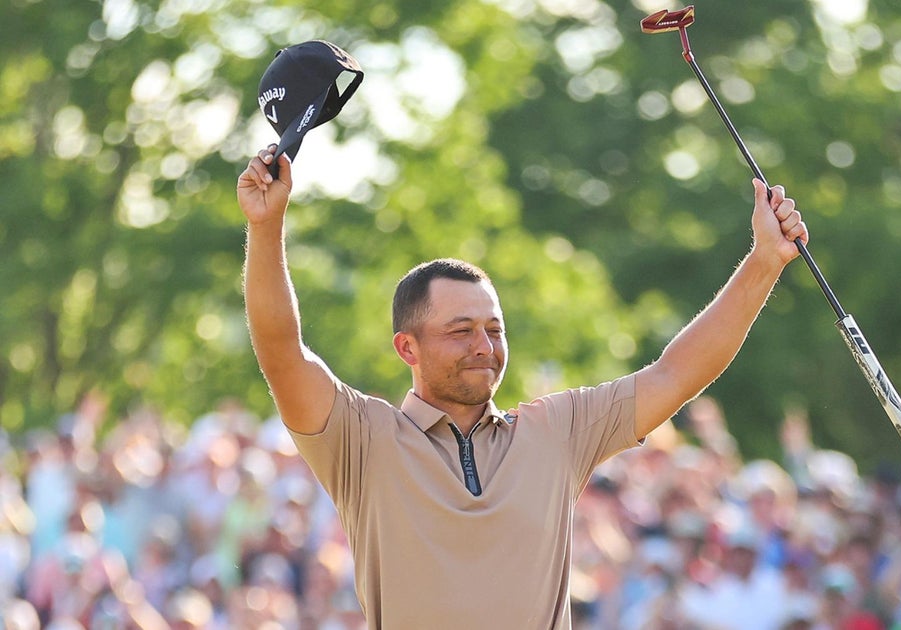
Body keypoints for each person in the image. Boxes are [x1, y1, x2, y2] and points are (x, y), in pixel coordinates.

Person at [236, 144, 808, 628]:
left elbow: (676, 374)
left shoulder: (556, 431)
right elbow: (283, 352)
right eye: (460, 332)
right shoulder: (361, 439)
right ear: (407, 348)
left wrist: (764, 262)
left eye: (493, 329)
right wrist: (266, 227)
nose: (484, 347)